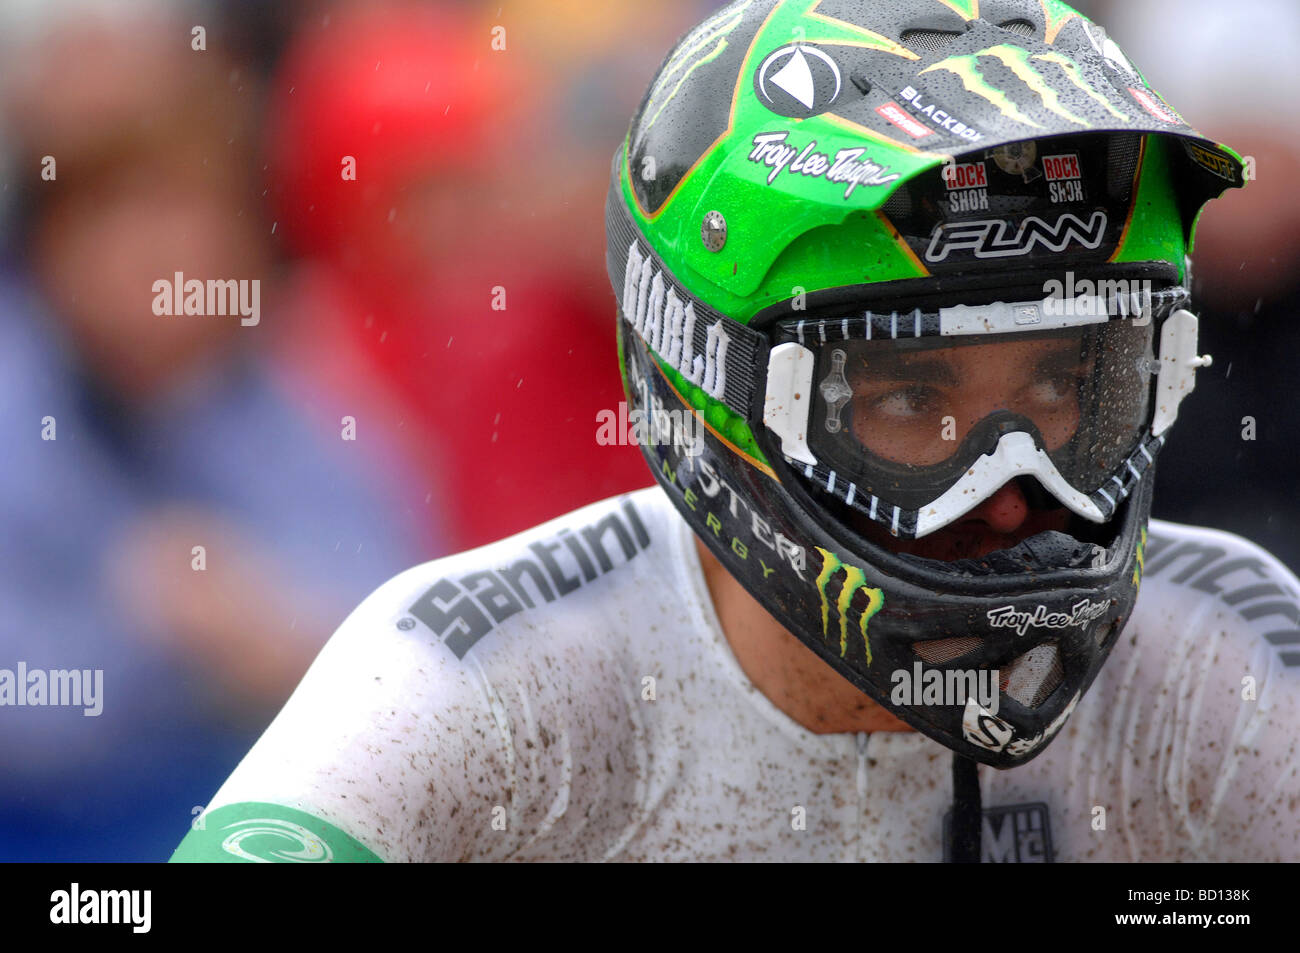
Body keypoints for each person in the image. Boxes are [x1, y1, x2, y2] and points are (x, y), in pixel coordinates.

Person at [171, 0, 1300, 863]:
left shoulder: (1227, 665)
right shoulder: (480, 684)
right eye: (910, 397)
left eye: (1070, 382)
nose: (1013, 492)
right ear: (710, 384)